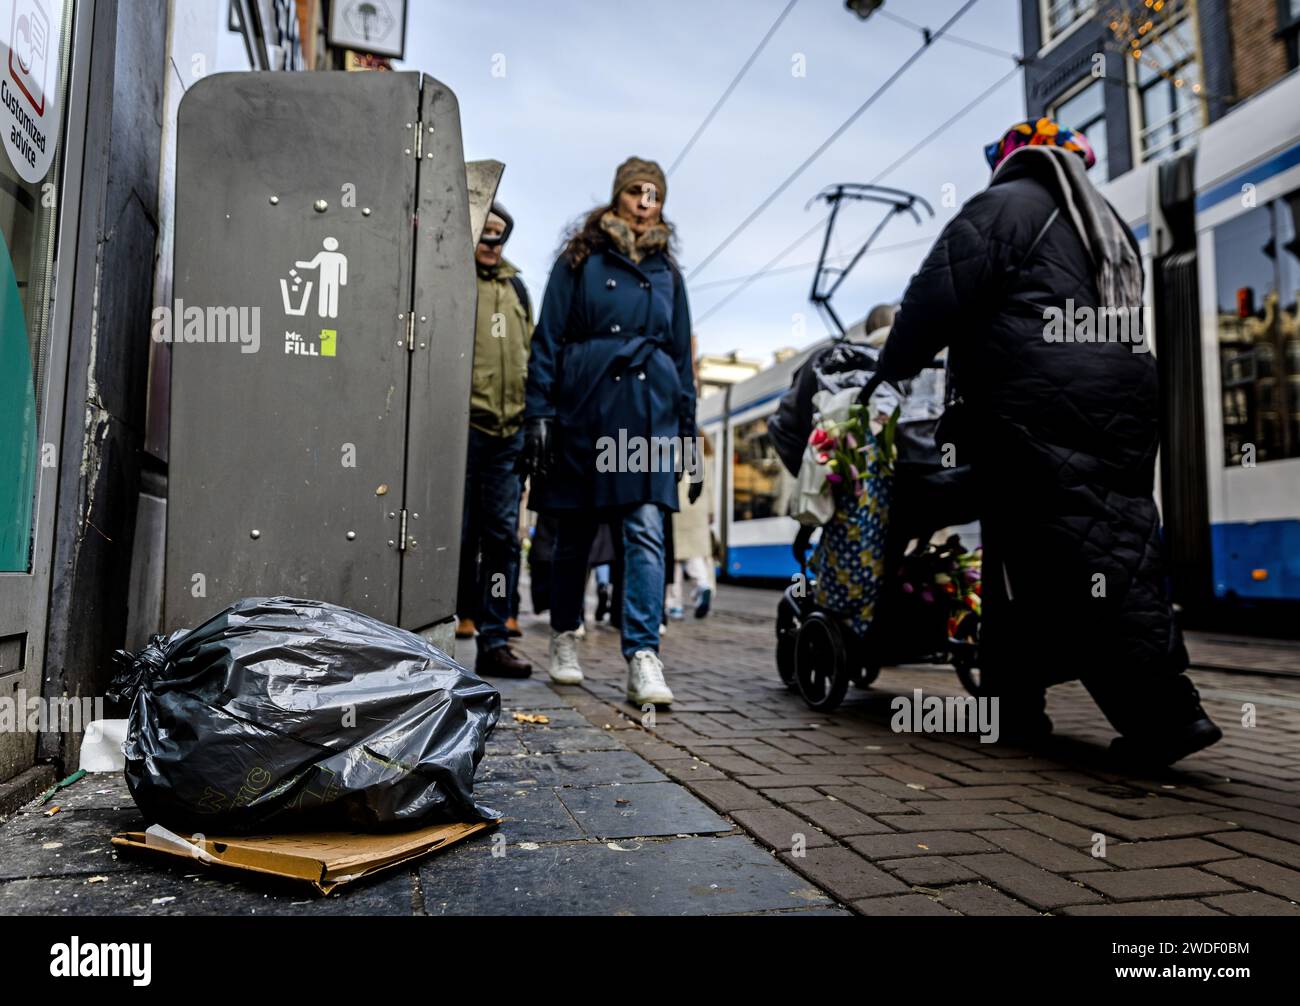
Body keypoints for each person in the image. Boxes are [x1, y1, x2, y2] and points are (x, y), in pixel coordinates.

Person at [875, 117, 1221, 764]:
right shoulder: (1105, 220)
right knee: (1035, 553)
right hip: (1120, 400)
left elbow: (934, 296)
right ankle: (1012, 709)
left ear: (1011, 161)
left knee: (1078, 554)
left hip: (1035, 404)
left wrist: (889, 369)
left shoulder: (1004, 205)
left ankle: (1165, 716)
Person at [520, 156, 699, 706]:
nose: (647, 202)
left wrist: (688, 431)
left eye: (656, 194)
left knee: (646, 527)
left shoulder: (668, 273)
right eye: (637, 191)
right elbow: (547, 338)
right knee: (574, 532)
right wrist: (540, 413)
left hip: (647, 414)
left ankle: (643, 654)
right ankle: (565, 635)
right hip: (585, 406)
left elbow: (681, 352)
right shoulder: (580, 259)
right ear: (619, 196)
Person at [457, 203, 534, 677]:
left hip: (509, 435)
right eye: (485, 234)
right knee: (458, 538)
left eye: (500, 236)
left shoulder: (517, 287)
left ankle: (495, 639)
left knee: (503, 541)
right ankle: (441, 634)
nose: (492, 245)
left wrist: (536, 423)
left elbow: (534, 353)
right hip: (460, 429)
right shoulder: (452, 277)